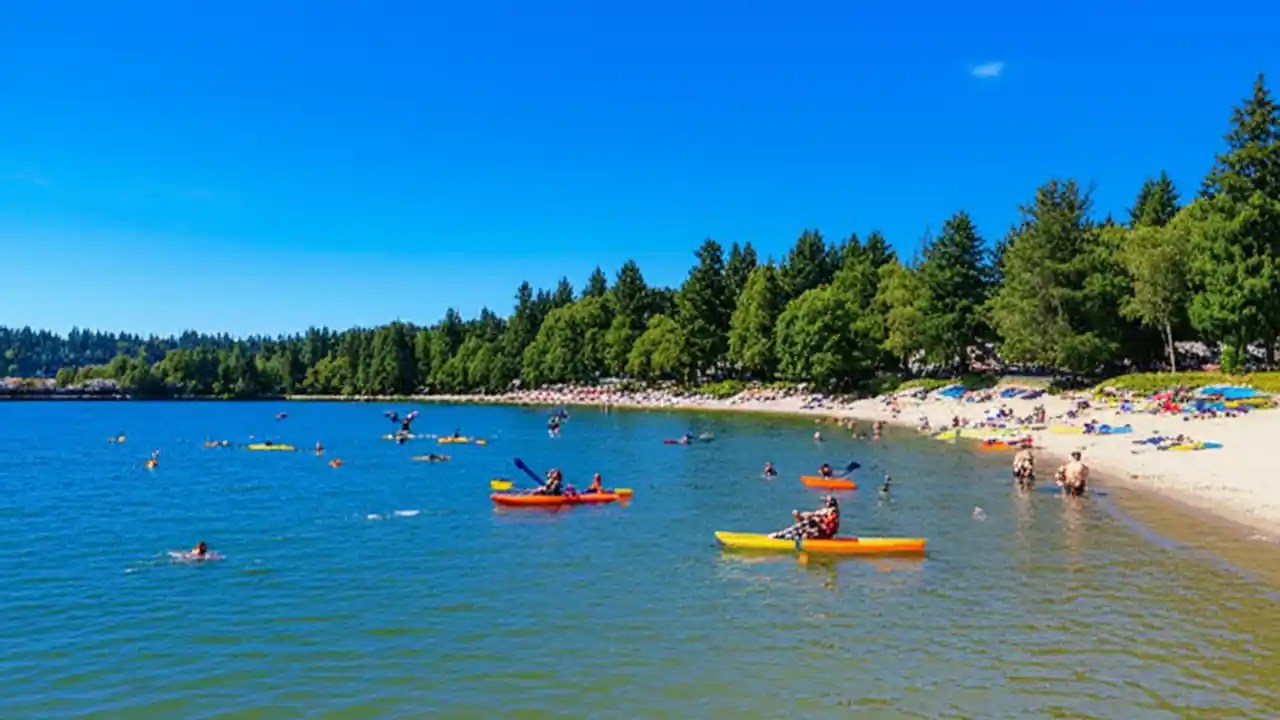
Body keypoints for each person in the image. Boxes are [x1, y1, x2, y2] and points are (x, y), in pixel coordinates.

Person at [769, 496, 840, 540]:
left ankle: (781, 535)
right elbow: (815, 514)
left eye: (827, 502)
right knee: (807, 524)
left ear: (829, 503)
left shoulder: (831, 511)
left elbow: (814, 514)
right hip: (823, 533)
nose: (825, 503)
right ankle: (784, 535)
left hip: (824, 535)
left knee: (808, 523)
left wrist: (801, 515)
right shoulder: (830, 511)